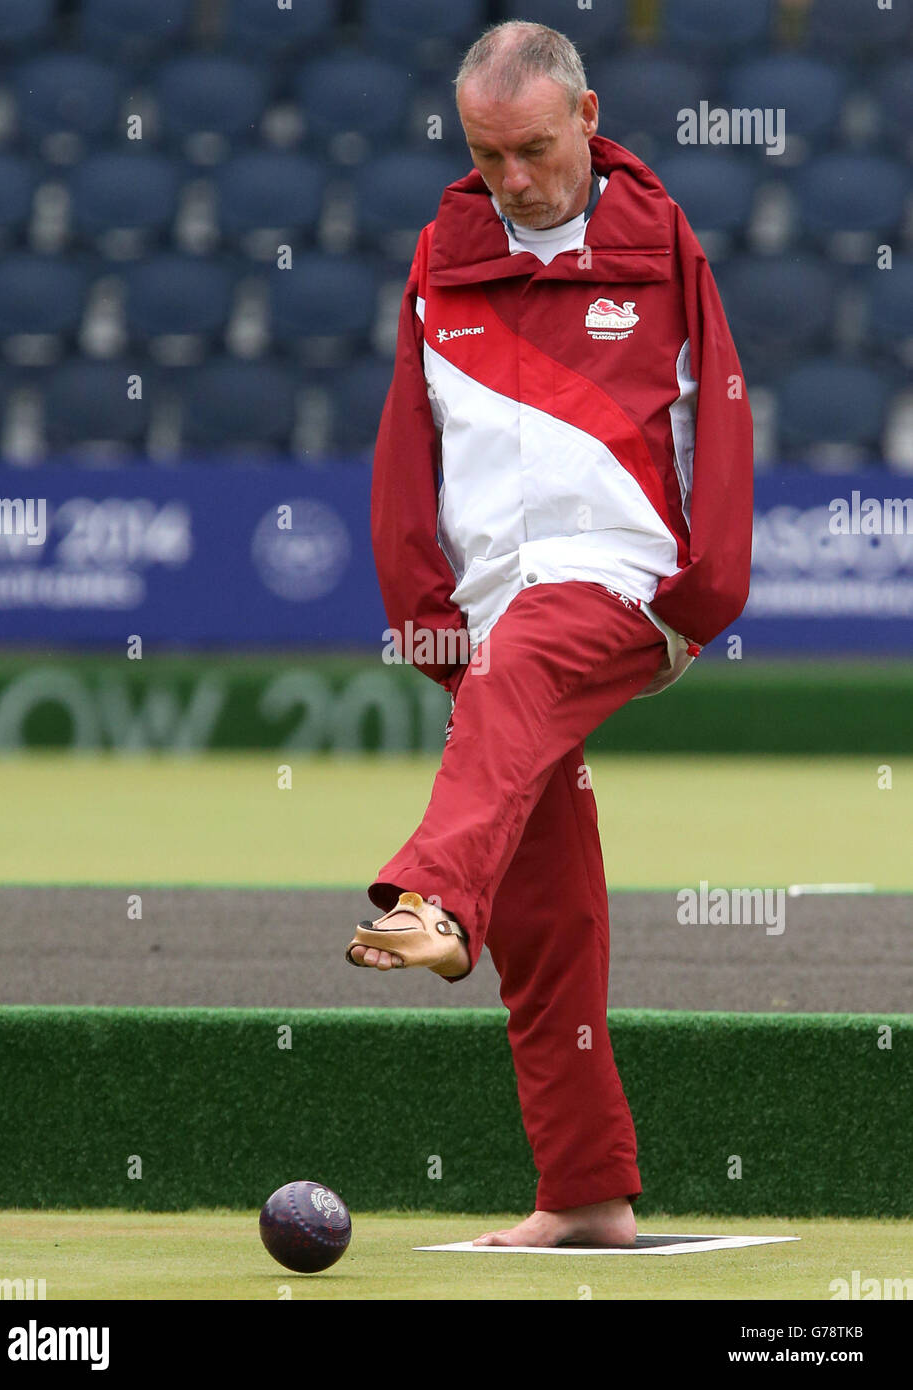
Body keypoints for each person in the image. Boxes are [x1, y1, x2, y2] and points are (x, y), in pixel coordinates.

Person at [345, 20, 753, 1248]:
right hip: (487, 618)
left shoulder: (662, 245)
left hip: (623, 584)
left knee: (526, 657)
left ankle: (428, 893)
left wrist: (701, 599)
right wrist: (427, 630)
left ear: (586, 117)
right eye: (485, 155)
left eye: (529, 149)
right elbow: (405, 449)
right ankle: (583, 1193)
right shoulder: (441, 259)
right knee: (547, 903)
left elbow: (724, 412)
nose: (510, 180)